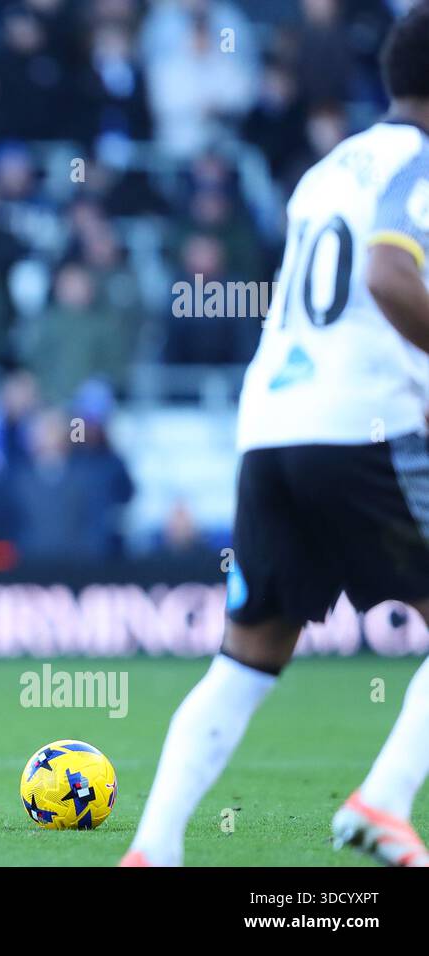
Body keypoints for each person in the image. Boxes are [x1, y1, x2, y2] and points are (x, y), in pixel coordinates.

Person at [123, 7, 429, 867]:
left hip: (272, 424)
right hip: (358, 424)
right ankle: (383, 800)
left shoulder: (330, 166)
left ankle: (154, 848)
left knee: (249, 654)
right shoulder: (420, 162)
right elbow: (386, 272)